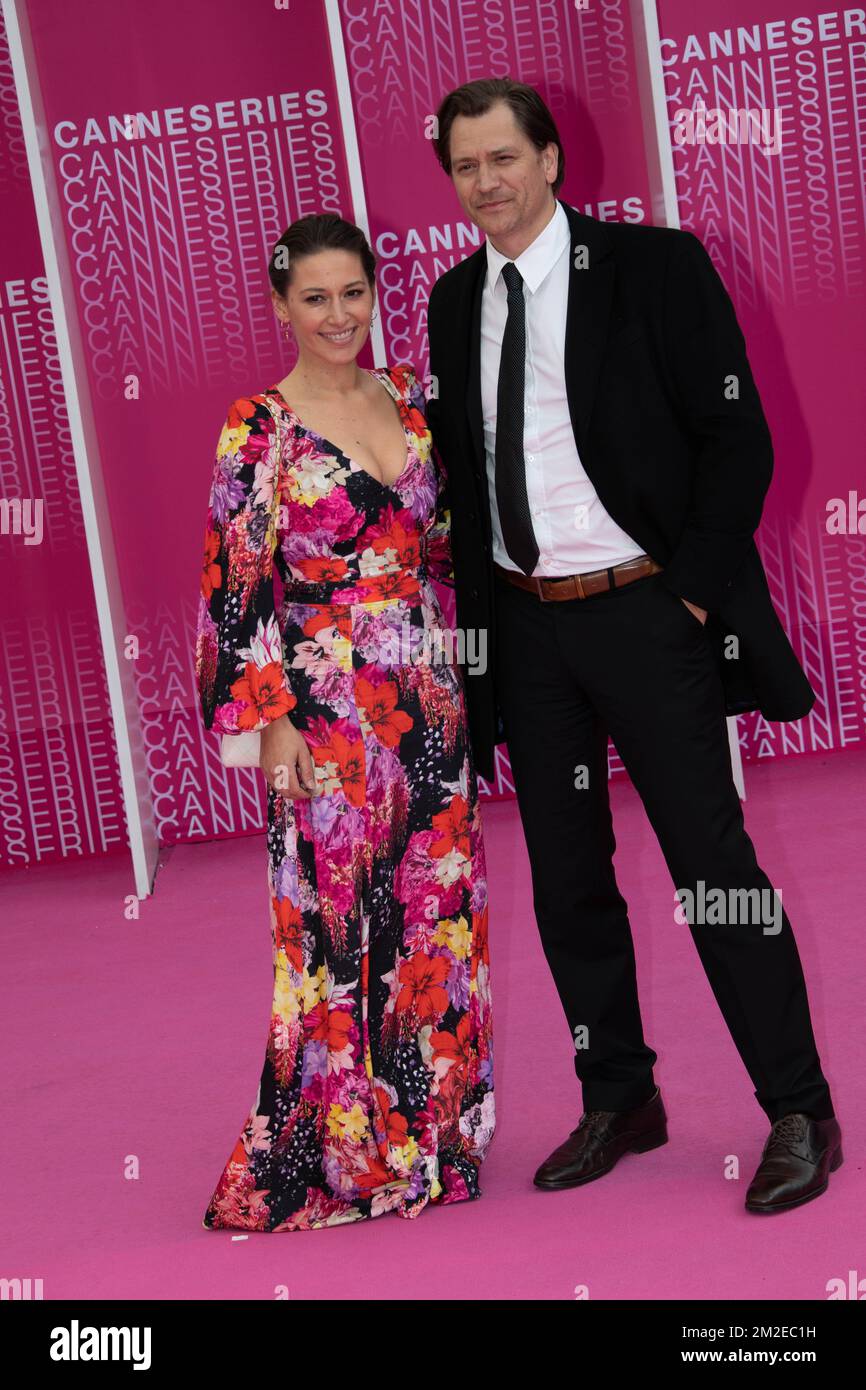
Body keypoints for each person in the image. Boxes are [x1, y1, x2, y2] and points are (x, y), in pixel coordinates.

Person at [425, 77, 841, 1213]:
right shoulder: (452, 300)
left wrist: (692, 599)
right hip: (527, 628)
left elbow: (734, 437)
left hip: (646, 613)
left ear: (551, 160)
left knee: (713, 873)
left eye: (503, 158)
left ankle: (797, 1108)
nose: (486, 184)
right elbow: (462, 484)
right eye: (464, 167)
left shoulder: (657, 268)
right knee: (566, 882)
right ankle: (618, 1095)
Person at [194, 213, 494, 1232]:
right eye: (313, 297)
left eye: (352, 293)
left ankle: (432, 1137)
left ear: (375, 292)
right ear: (282, 303)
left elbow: (445, 542)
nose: (337, 314)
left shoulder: (408, 395)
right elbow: (233, 586)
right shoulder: (258, 425)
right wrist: (267, 725)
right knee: (331, 926)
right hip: (319, 712)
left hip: (423, 696)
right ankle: (337, 1146)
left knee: (433, 918)